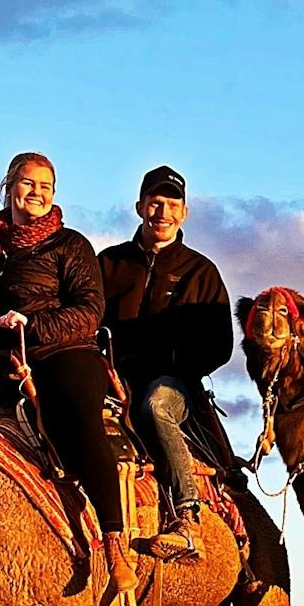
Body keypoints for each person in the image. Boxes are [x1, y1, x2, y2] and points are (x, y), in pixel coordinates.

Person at [0, 152, 133, 595]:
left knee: (76, 421)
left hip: (64, 352)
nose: (37, 193)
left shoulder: (70, 246)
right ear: (8, 186)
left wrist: (32, 325)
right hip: (2, 361)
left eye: (46, 186)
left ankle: (114, 543)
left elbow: (89, 311)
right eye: (29, 184)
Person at [97, 165, 234, 559]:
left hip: (173, 383)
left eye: (172, 205)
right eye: (155, 203)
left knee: (156, 407)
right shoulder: (108, 264)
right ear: (140, 207)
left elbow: (219, 346)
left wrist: (172, 362)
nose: (163, 213)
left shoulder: (201, 272)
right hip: (111, 379)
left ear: (184, 212)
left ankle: (187, 517)